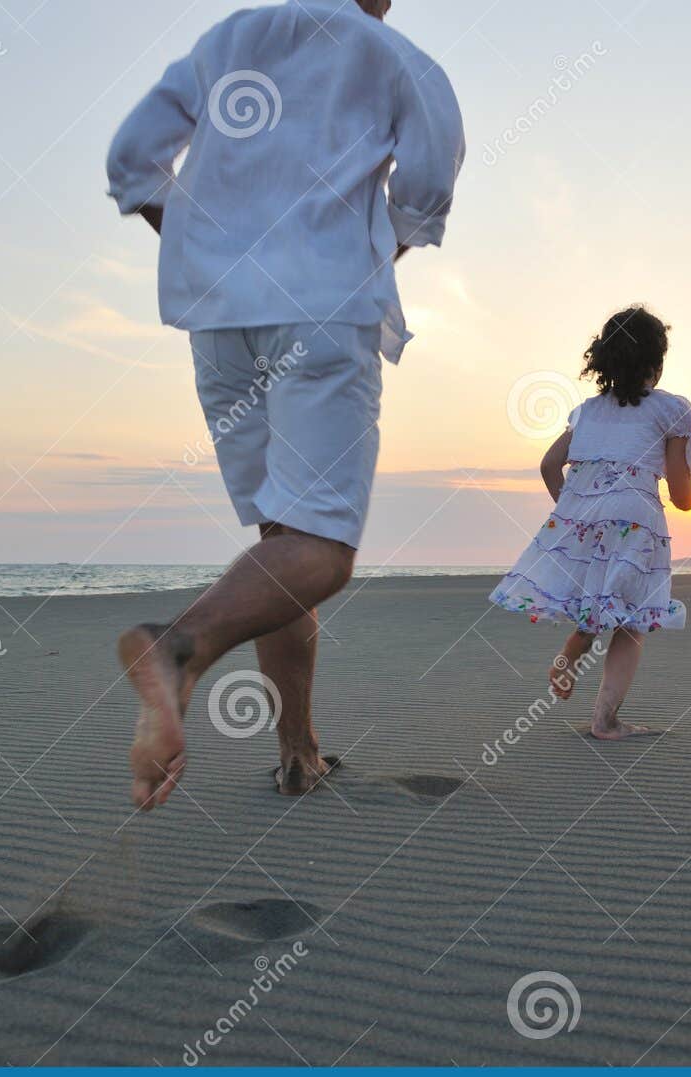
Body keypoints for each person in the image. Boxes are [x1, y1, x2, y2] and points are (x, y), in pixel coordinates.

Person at [105, 0, 465, 810]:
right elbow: (428, 189)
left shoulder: (231, 37)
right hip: (320, 314)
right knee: (321, 547)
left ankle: (297, 750)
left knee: (281, 540)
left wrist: (216, 252)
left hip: (220, 325)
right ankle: (176, 649)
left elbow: (132, 160)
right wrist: (353, 259)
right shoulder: (394, 57)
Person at [490, 306, 691, 739]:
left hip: (584, 518)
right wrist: (687, 491)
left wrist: (576, 514)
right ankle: (605, 719)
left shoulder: (585, 412)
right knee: (633, 621)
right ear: (657, 362)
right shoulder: (672, 410)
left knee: (600, 595)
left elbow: (549, 465)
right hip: (637, 520)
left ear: (603, 359)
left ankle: (581, 638)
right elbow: (682, 497)